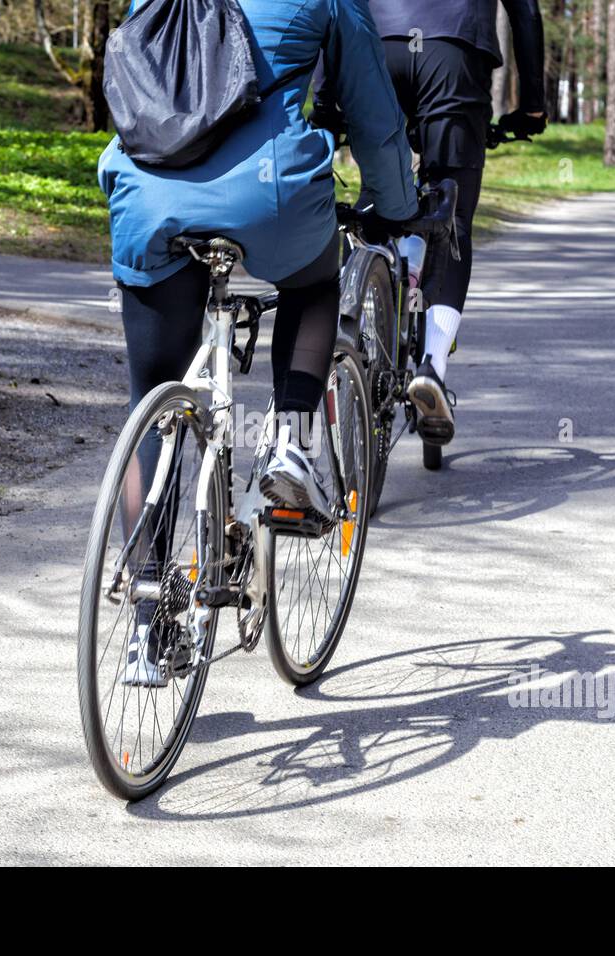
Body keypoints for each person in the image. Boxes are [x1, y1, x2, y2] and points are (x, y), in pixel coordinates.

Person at [98, 0, 421, 685]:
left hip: (147, 196)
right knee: (312, 284)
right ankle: (292, 441)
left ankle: (147, 624)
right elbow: (374, 117)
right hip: (267, 198)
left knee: (149, 402)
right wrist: (396, 207)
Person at [317, 0, 547, 445]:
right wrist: (533, 104)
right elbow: (526, 13)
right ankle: (431, 369)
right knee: (453, 216)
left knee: (379, 202)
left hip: (377, 45)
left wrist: (327, 93)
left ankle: (362, 319)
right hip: (454, 50)